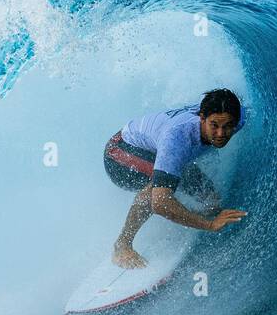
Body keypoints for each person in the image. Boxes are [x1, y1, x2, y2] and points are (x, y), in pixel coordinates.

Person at [104, 89, 248, 268]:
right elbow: (159, 203)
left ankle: (190, 218)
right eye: (215, 126)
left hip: (153, 148)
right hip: (120, 153)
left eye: (227, 126)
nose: (221, 134)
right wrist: (209, 225)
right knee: (156, 192)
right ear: (202, 118)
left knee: (212, 201)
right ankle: (122, 245)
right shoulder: (176, 140)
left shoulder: (238, 118)